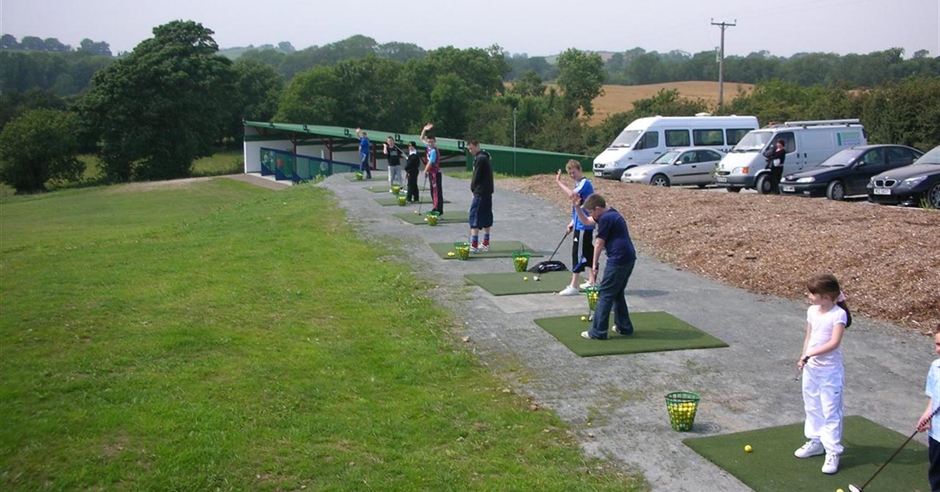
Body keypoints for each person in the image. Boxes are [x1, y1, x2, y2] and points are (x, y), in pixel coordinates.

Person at [794, 273, 851, 475]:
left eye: (812, 293)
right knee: (812, 405)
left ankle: (833, 450)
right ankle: (816, 441)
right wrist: (803, 356)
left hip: (830, 371)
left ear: (826, 296)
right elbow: (809, 336)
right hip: (812, 369)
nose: (809, 296)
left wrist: (811, 353)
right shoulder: (811, 311)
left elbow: (833, 343)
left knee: (830, 410)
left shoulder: (838, 315)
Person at [571, 193, 637, 340]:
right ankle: (624, 327)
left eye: (591, 211)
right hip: (628, 258)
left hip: (619, 260)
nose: (590, 214)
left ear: (598, 208)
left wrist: (594, 265)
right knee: (617, 293)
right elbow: (587, 222)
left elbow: (599, 243)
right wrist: (577, 208)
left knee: (605, 295)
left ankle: (598, 332)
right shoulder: (609, 212)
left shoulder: (607, 218)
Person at [555, 159, 596, 296]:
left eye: (574, 172)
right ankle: (591, 282)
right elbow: (578, 207)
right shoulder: (579, 183)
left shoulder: (585, 183)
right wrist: (572, 222)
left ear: (580, 170)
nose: (572, 175)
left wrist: (559, 182)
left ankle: (574, 286)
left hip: (584, 226)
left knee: (577, 254)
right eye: (570, 173)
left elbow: (572, 195)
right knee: (589, 252)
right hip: (580, 223)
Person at [916, 324, 940, 491]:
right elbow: (934, 396)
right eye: (938, 344)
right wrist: (927, 415)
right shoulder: (935, 367)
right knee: (936, 473)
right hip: (937, 433)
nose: (939, 349)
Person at [466, 139, 493, 253]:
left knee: (474, 216)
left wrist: (473, 190)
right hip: (487, 192)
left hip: (480, 192)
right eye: (469, 149)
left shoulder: (480, 158)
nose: (471, 151)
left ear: (477, 146)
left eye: (472, 148)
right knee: (486, 216)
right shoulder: (485, 156)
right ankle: (486, 243)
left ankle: (474, 245)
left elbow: (476, 177)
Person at [420, 123, 443, 216]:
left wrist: (425, 171)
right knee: (432, 191)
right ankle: (435, 207)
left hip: (435, 173)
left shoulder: (433, 150)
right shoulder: (429, 147)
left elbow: (430, 162)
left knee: (437, 192)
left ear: (435, 141)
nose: (430, 143)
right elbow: (421, 138)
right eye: (429, 142)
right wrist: (424, 129)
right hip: (431, 173)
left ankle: (438, 210)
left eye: (432, 142)